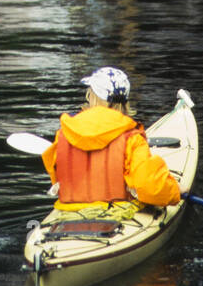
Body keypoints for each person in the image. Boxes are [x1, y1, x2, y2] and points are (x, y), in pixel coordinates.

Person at [41, 67, 181, 212]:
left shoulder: (64, 133)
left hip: (68, 212)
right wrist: (175, 191)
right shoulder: (132, 140)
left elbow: (56, 176)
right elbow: (150, 187)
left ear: (93, 97)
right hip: (117, 212)